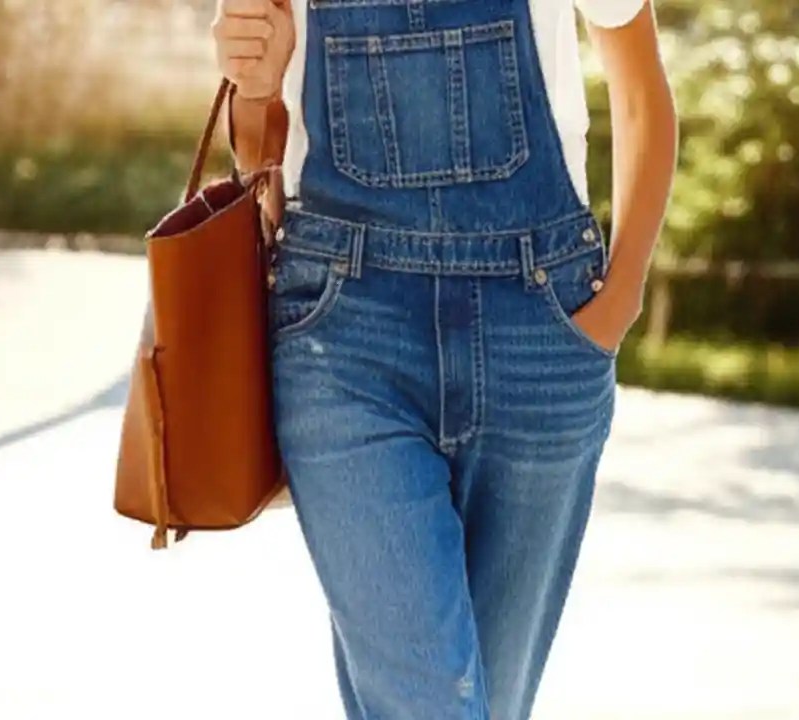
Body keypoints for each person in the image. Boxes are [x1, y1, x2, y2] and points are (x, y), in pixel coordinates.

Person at [213, 0, 676, 717]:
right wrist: (255, 88)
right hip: (347, 346)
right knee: (431, 702)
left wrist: (616, 305)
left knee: (489, 702)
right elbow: (261, 174)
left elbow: (641, 95)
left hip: (540, 338)